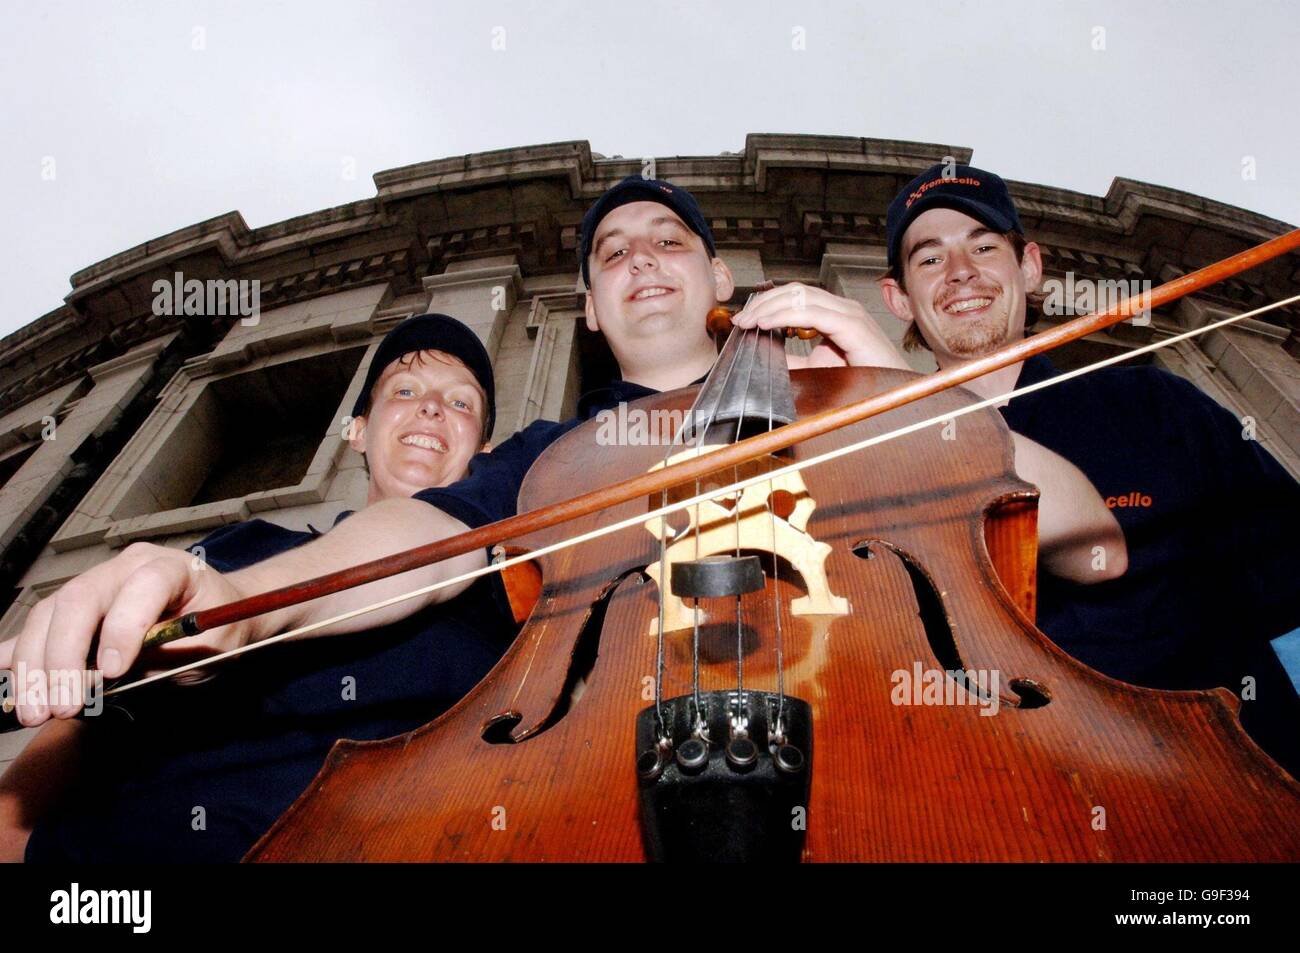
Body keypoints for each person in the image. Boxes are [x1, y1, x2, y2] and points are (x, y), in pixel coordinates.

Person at [0, 176, 1128, 855]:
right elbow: (431, 543)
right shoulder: (552, 457)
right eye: (611, 253)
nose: (641, 260)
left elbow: (1086, 537)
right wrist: (234, 596)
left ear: (713, 271)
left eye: (667, 241)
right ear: (588, 306)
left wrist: (897, 386)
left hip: (905, 756)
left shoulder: (835, 389)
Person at [0, 314, 512, 861]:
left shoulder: (509, 592)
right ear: (357, 431)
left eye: (461, 403)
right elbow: (79, 741)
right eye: (404, 391)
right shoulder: (239, 548)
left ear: (484, 452)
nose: (431, 407)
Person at [876, 162, 1300, 775]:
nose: (961, 272)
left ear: (1030, 267)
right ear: (898, 298)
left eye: (985, 246)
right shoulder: (875, 465)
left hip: (1222, 789)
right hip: (991, 790)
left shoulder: (1157, 405)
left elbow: (1290, 591)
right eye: (930, 259)